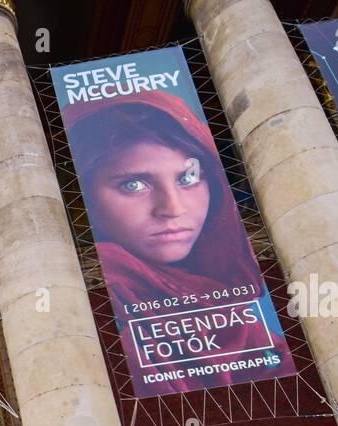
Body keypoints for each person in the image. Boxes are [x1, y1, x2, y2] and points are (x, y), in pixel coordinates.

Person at [64, 92, 290, 394]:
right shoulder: (93, 314)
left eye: (188, 178)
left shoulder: (233, 308)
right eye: (133, 185)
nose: (172, 208)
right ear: (85, 197)